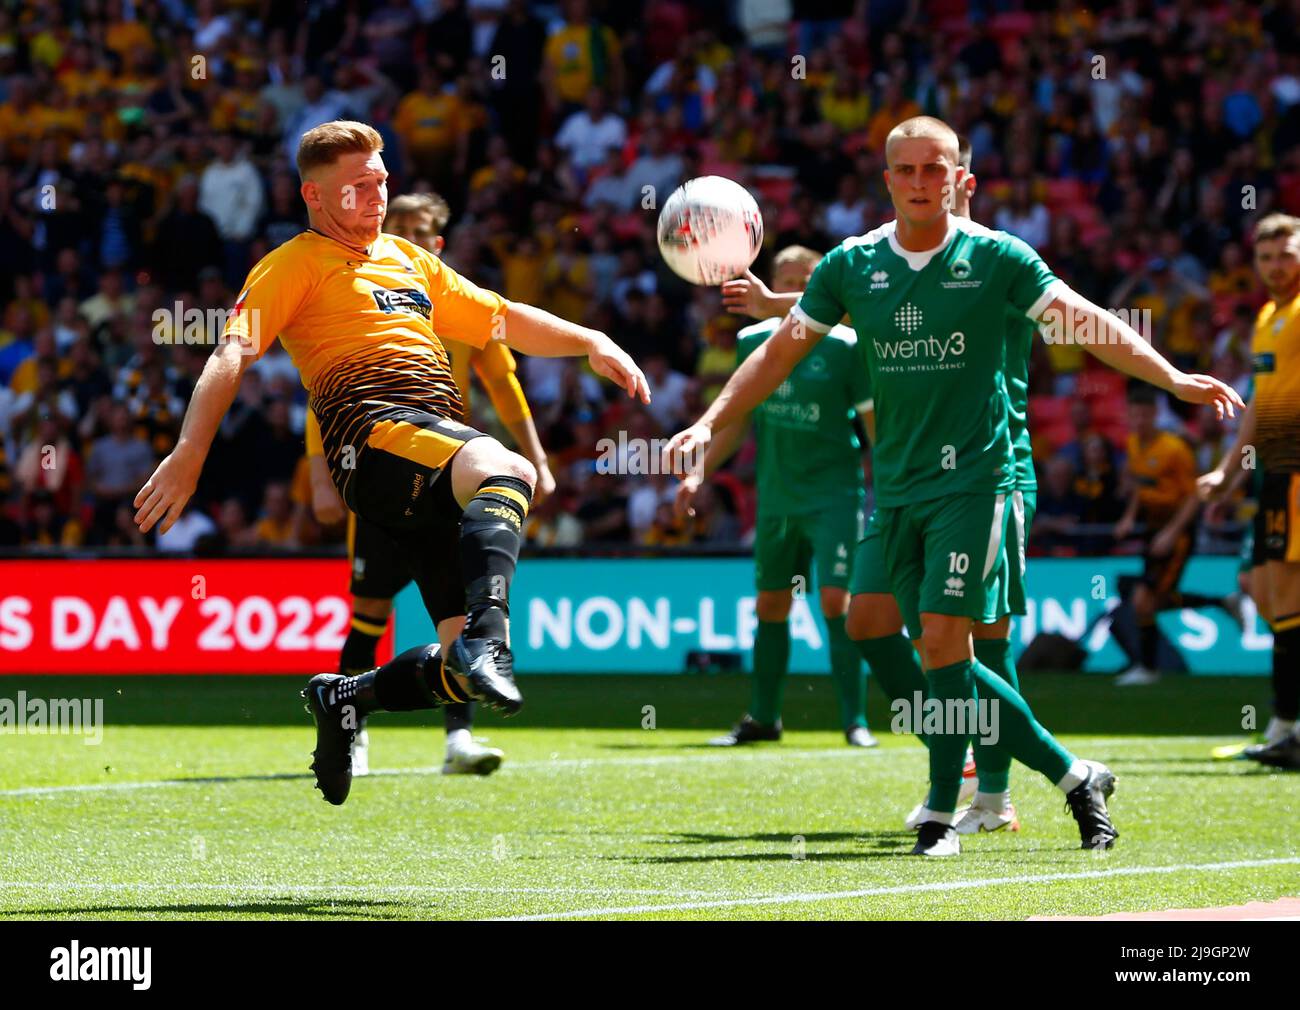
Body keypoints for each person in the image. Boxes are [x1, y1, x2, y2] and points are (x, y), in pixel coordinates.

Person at [666, 115, 1241, 856]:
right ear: (886, 181)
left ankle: (950, 805)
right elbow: (779, 353)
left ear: (958, 177)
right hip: (896, 487)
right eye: (904, 170)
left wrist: (1169, 377)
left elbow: (1085, 321)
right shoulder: (852, 264)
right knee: (871, 623)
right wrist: (711, 422)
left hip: (981, 479)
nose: (919, 183)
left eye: (933, 169)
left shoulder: (998, 258)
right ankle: (1066, 772)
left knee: (948, 640)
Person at [134, 121, 649, 806]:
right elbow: (231, 354)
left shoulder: (410, 261)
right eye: (359, 184)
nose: (377, 191)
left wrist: (590, 339)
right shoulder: (293, 264)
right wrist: (189, 452)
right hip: (371, 435)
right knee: (509, 470)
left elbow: (499, 318)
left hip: (425, 451)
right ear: (315, 197)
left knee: (456, 669)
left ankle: (346, 697)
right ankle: (491, 642)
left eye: (381, 178)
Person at [304, 191, 556, 778]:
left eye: (421, 229)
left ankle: (457, 739)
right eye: (401, 227)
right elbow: (324, 399)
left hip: (450, 470)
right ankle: (352, 728)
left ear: (438, 243)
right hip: (381, 470)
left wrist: (537, 458)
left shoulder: (458, 306)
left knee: (462, 618)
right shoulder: (360, 301)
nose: (410, 236)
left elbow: (505, 389)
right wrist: (320, 475)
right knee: (370, 609)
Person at [677, 245, 877, 749]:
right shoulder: (752, 342)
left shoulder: (847, 345)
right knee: (771, 604)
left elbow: (873, 424)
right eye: (784, 276)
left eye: (803, 278)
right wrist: (698, 473)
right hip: (779, 499)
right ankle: (763, 718)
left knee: (837, 601)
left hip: (834, 494)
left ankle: (855, 720)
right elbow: (738, 418)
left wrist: (890, 484)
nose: (793, 285)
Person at [1200, 213, 1300, 768]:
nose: (1275, 266)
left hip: (1295, 467)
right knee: (1260, 585)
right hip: (1274, 469)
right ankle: (1287, 727)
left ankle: (1286, 729)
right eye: (1265, 257)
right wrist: (1229, 470)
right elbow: (1260, 405)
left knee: (1284, 595)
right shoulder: (1268, 318)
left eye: (1286, 254)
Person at [1111, 384, 1238, 685]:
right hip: (1154, 529)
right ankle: (1223, 603)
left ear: (1155, 414)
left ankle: (1147, 668)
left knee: (1143, 600)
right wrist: (1129, 518)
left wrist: (1171, 532)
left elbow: (1195, 495)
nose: (1139, 421)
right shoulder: (1133, 444)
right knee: (1151, 601)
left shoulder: (1174, 450)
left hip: (1178, 532)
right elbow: (1141, 489)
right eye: (1134, 415)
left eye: (1145, 415)